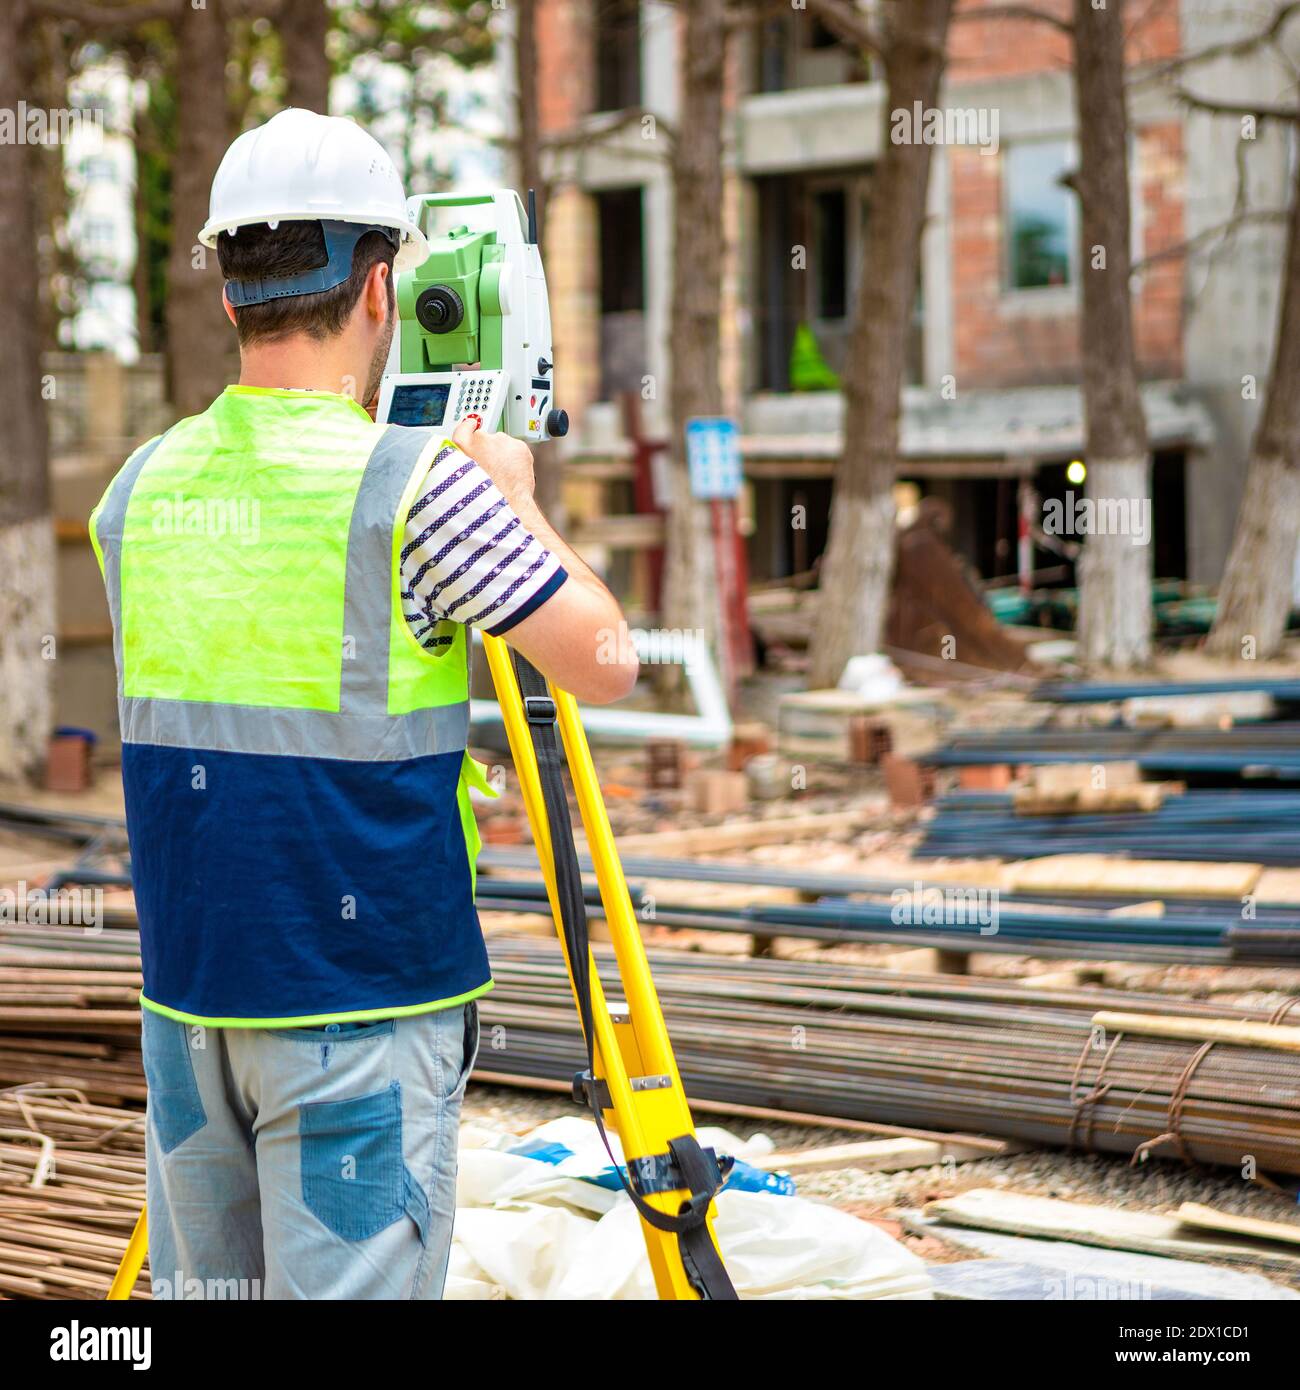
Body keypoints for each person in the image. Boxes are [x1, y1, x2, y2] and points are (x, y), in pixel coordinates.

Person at [90, 108, 638, 1300]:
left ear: (231, 295)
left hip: (190, 1007)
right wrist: (515, 500)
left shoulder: (134, 494)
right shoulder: (418, 491)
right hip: (362, 1005)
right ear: (382, 286)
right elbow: (602, 659)